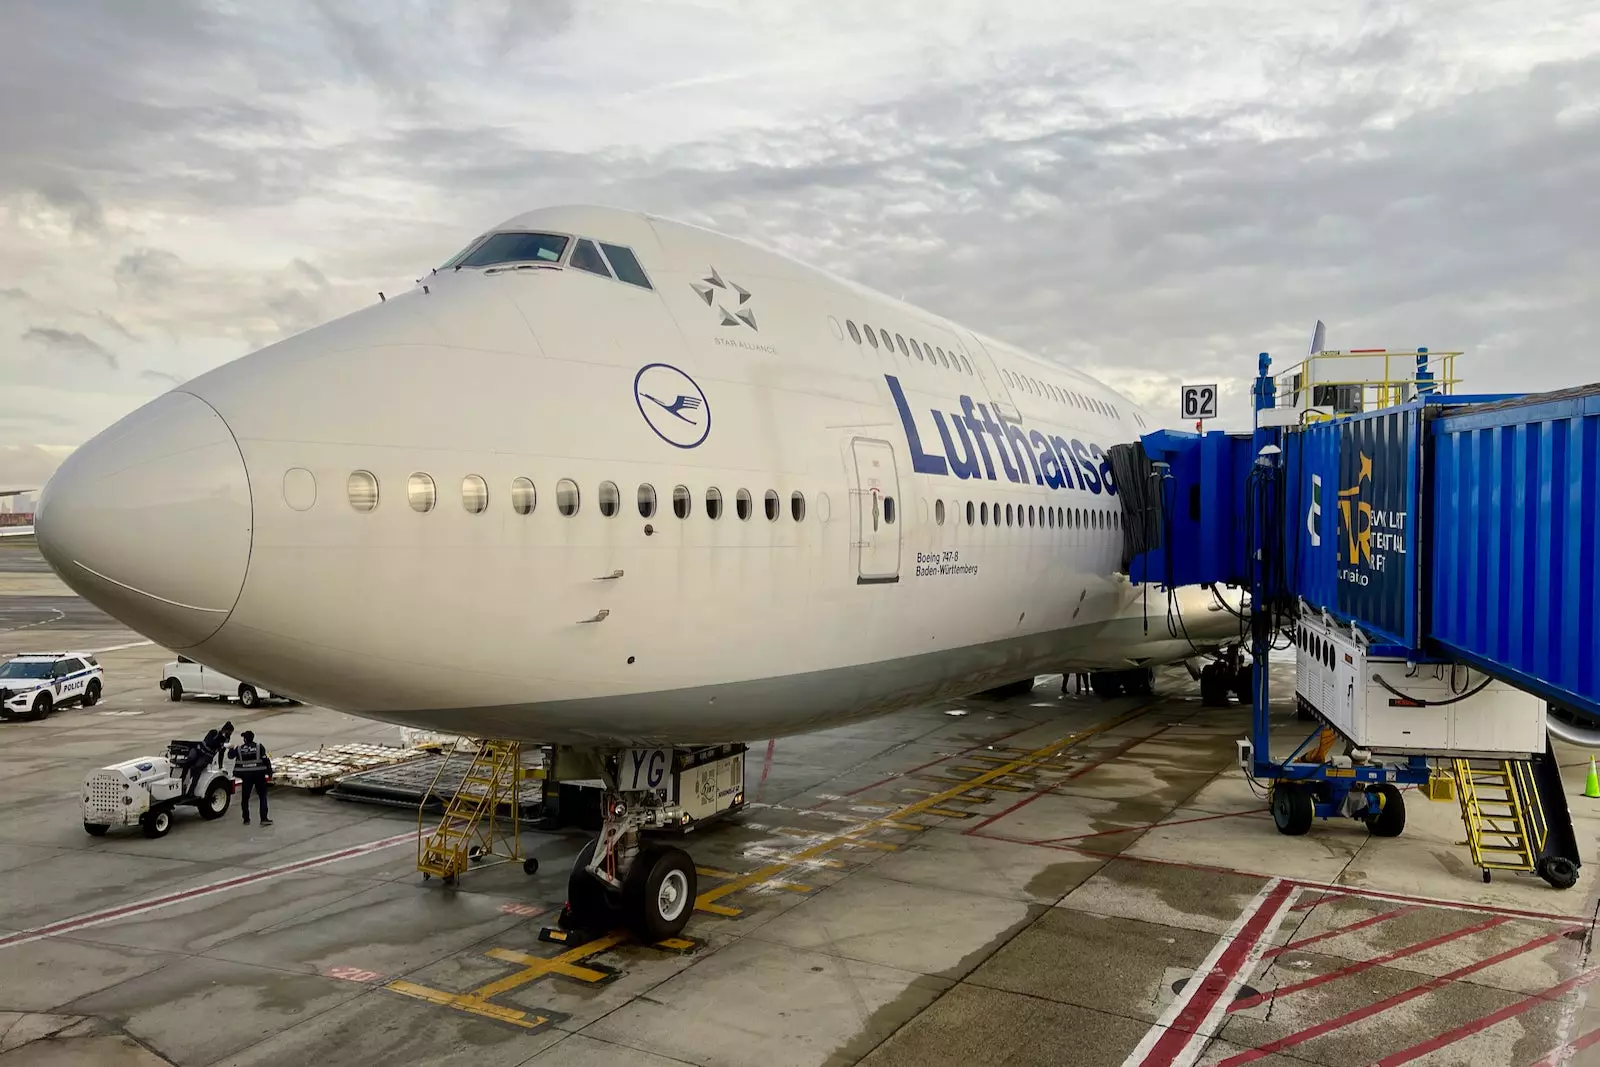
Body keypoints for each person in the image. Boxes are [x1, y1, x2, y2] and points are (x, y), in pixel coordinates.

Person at [229, 729, 273, 826]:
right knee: (262, 797)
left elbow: (230, 756)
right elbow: (266, 760)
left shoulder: (239, 749)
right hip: (259, 776)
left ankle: (246, 819)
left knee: (245, 798)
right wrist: (270, 773)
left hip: (246, 777)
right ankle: (264, 818)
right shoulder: (259, 747)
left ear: (245, 739)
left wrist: (232, 748)